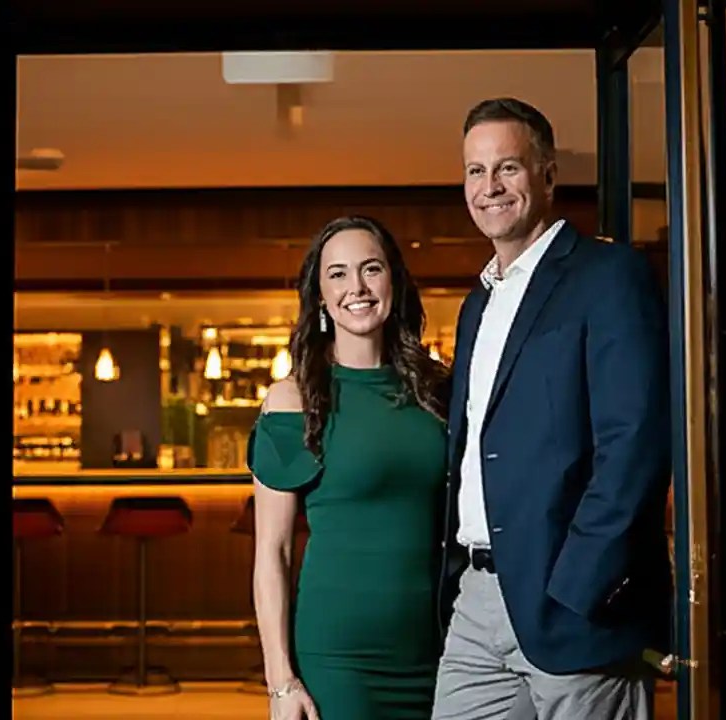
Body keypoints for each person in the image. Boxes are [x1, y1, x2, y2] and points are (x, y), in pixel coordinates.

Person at [432, 97, 672, 719]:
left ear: (546, 173)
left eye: (507, 168)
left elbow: (636, 444)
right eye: (475, 172)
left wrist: (580, 585)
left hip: (571, 605)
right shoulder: (475, 306)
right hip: (479, 598)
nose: (490, 188)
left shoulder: (608, 275)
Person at [249, 215, 451, 720]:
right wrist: (280, 681)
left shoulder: (438, 392)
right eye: (337, 274)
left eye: (371, 269)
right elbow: (272, 552)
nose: (356, 288)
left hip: (440, 651)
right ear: (319, 295)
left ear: (393, 281)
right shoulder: (291, 401)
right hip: (338, 657)